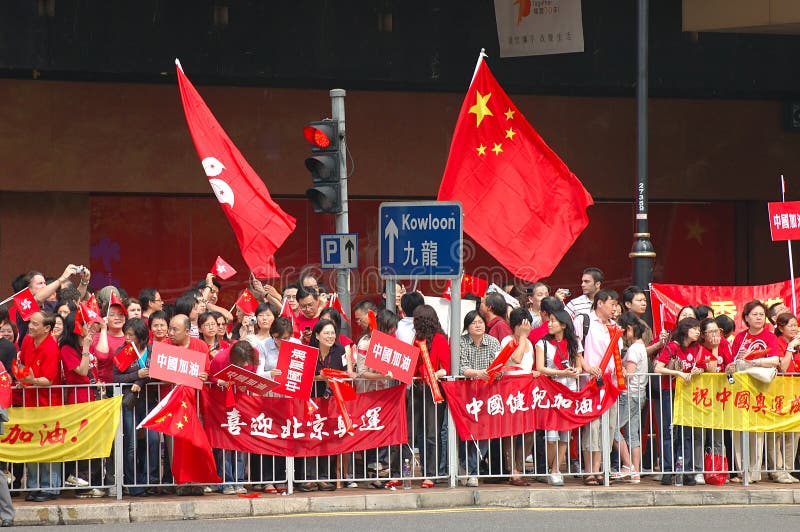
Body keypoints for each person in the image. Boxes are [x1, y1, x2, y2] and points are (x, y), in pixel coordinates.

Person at [729, 300, 781, 484]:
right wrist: (736, 362)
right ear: (746, 318)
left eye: (761, 314)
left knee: (756, 431)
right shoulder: (740, 337)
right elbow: (732, 362)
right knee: (739, 429)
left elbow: (775, 360)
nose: (759, 318)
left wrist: (753, 361)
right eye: (754, 314)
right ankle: (742, 470)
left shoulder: (770, 337)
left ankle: (755, 471)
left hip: (759, 390)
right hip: (740, 391)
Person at [535, 308, 584, 486]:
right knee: (550, 434)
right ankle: (550, 467)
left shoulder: (575, 342)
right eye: (549, 321)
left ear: (563, 324)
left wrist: (575, 371)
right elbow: (540, 368)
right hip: (550, 391)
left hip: (569, 391)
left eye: (553, 321)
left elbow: (579, 365)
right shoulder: (542, 344)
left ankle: (556, 469)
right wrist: (561, 372)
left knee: (565, 433)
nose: (549, 324)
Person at [296, 319, 346, 492]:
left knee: (326, 438)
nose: (330, 336)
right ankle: (308, 478)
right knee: (310, 438)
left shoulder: (339, 350)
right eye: (326, 333)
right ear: (317, 335)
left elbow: (344, 372)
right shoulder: (308, 352)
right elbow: (304, 375)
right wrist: (320, 377)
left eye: (332, 333)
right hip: (310, 400)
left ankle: (324, 477)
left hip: (330, 400)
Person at [655, 317, 705, 486]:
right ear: (685, 329)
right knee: (670, 432)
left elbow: (708, 363)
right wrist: (678, 373)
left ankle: (687, 471)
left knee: (687, 433)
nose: (698, 331)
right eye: (695, 328)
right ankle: (668, 470)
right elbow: (658, 367)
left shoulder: (697, 348)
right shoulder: (672, 347)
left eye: (699, 328)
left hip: (688, 395)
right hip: (670, 392)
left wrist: (700, 369)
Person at [19, 311, 63, 501]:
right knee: (33, 445)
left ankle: (50, 487)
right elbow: (23, 364)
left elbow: (49, 379)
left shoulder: (52, 348)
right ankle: (33, 485)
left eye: (35, 324)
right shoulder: (27, 341)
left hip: (49, 404)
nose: (30, 326)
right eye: (30, 322)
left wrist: (32, 380)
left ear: (47, 328)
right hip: (30, 402)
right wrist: (22, 377)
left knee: (48, 445)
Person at [114, 318, 160, 497]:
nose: (126, 337)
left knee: (153, 440)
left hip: (149, 403)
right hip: (129, 403)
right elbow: (115, 378)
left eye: (130, 335)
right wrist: (136, 375)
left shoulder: (152, 350)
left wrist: (140, 381)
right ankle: (133, 483)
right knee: (131, 444)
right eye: (126, 333)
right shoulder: (122, 351)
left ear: (141, 336)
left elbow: (156, 372)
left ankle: (151, 479)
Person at [60, 312, 104, 497]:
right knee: (82, 439)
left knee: (93, 439)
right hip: (78, 397)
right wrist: (86, 347)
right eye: (85, 325)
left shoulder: (89, 345)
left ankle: (90, 480)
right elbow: (82, 370)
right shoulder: (67, 349)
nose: (89, 328)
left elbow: (94, 369)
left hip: (93, 395)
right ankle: (79, 480)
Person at [579, 289, 620, 485]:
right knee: (592, 427)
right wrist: (586, 366)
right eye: (612, 304)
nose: (614, 308)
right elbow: (576, 347)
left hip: (610, 384)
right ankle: (589, 470)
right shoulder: (585, 321)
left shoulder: (614, 326)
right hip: (591, 383)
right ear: (600, 303)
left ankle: (601, 468)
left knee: (609, 427)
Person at [458, 310, 501, 487]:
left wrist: (492, 373)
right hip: (465, 394)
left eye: (481, 322)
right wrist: (479, 374)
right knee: (465, 433)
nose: (478, 325)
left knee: (485, 433)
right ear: (467, 327)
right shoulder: (461, 342)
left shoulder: (493, 342)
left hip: (487, 394)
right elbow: (461, 368)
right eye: (474, 323)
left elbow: (498, 365)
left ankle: (471, 470)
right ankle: (466, 468)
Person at [209, 341, 257, 495]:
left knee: (241, 443)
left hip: (242, 403)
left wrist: (246, 383)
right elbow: (211, 376)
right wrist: (220, 381)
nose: (244, 364)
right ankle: (226, 482)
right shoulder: (220, 359)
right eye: (241, 362)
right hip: (221, 405)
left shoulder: (254, 353)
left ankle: (239, 480)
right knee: (225, 445)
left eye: (246, 362)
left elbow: (253, 373)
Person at [410, 305, 450, 488]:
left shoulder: (440, 339)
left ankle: (432, 473)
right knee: (418, 433)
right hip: (418, 388)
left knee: (432, 433)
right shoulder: (417, 340)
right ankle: (425, 468)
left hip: (434, 390)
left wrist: (433, 375)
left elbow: (446, 368)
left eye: (416, 319)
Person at [499, 307, 534, 486]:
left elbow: (528, 366)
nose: (526, 328)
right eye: (522, 325)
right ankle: (512, 469)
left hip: (527, 392)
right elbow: (517, 359)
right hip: (510, 392)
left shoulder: (530, 344)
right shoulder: (508, 340)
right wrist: (522, 337)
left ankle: (520, 467)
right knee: (511, 432)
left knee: (529, 432)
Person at [613, 312, 648, 484]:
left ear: (629, 329)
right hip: (639, 394)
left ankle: (628, 466)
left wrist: (618, 368)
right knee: (633, 434)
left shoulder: (634, 349)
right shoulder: (641, 346)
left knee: (613, 429)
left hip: (629, 395)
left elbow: (630, 374)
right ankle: (635, 472)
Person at [768, 313, 800, 484]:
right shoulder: (777, 343)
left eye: (796, 325)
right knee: (777, 433)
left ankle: (788, 469)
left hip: (795, 394)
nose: (794, 328)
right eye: (791, 325)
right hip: (778, 393)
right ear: (780, 328)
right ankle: (777, 470)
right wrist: (790, 348)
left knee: (794, 432)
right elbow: (784, 367)